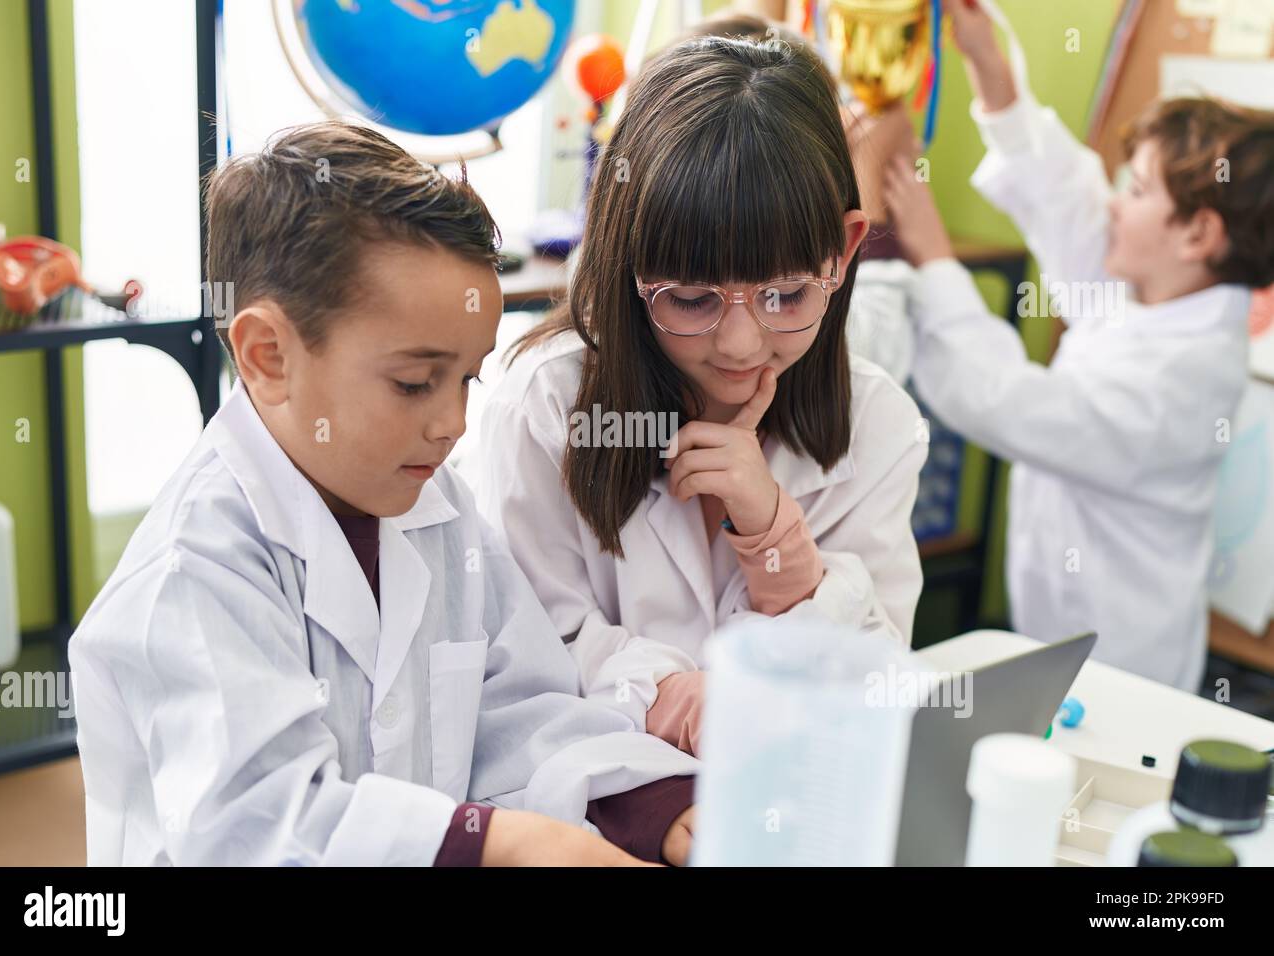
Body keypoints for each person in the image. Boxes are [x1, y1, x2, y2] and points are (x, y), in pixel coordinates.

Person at [68, 122, 700, 866]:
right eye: (413, 382)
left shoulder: (438, 509)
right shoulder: (192, 573)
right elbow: (260, 825)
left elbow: (518, 709)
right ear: (268, 356)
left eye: (468, 377)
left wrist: (657, 808)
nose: (453, 424)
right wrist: (503, 840)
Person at [478, 35, 927, 756]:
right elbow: (518, 646)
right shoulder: (544, 408)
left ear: (843, 254)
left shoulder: (878, 425)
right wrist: (664, 696)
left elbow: (874, 681)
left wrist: (776, 539)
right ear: (626, 262)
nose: (741, 345)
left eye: (785, 294)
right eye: (690, 299)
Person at [884, 0, 1274, 690]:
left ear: (1198, 235)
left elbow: (1006, 402)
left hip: (1124, 671)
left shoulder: (1182, 382)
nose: (1116, 204)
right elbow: (1066, 195)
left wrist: (934, 252)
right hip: (1056, 628)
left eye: (1139, 189)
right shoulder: (1155, 289)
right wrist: (987, 61)